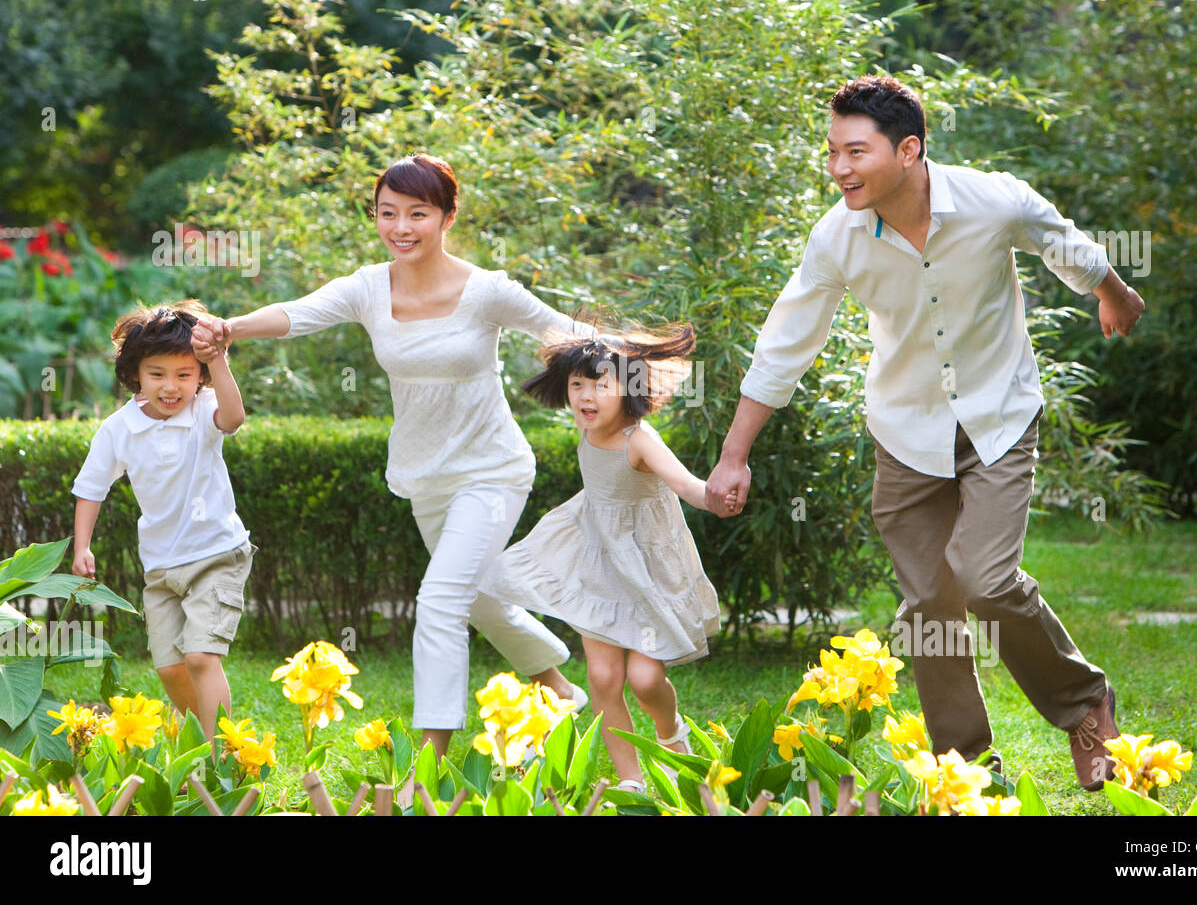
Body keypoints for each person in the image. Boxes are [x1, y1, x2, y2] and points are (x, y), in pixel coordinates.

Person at [704, 75, 1146, 791]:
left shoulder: (990, 199)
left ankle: (1085, 706)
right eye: (832, 152)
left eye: (855, 151)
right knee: (928, 608)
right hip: (907, 433)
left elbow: (1061, 244)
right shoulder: (836, 238)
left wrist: (1115, 292)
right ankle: (966, 771)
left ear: (908, 150)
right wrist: (734, 454)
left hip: (998, 417)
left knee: (985, 578)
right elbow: (787, 343)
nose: (839, 168)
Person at [190, 153, 587, 760]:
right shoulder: (369, 287)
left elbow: (566, 333)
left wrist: (628, 372)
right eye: (387, 213)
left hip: (493, 470)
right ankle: (558, 689)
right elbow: (299, 313)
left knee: (439, 602)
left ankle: (428, 759)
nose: (400, 227)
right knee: (475, 595)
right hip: (425, 475)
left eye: (417, 214)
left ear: (449, 216)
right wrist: (229, 327)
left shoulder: (488, 292)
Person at [477, 324, 724, 791]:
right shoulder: (586, 424)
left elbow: (687, 484)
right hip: (597, 560)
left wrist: (715, 496)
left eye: (600, 385)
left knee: (647, 680)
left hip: (647, 567)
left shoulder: (639, 440)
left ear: (627, 389)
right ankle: (631, 781)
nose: (586, 396)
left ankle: (671, 736)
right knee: (604, 678)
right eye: (577, 385)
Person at [72, 299, 253, 741]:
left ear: (200, 377)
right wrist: (82, 546)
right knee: (171, 669)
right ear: (136, 374)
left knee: (200, 658)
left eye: (185, 375)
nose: (171, 387)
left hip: (216, 555)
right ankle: (203, 741)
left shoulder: (203, 410)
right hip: (161, 566)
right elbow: (91, 487)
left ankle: (220, 758)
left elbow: (234, 417)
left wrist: (219, 361)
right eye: (158, 374)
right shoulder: (119, 429)